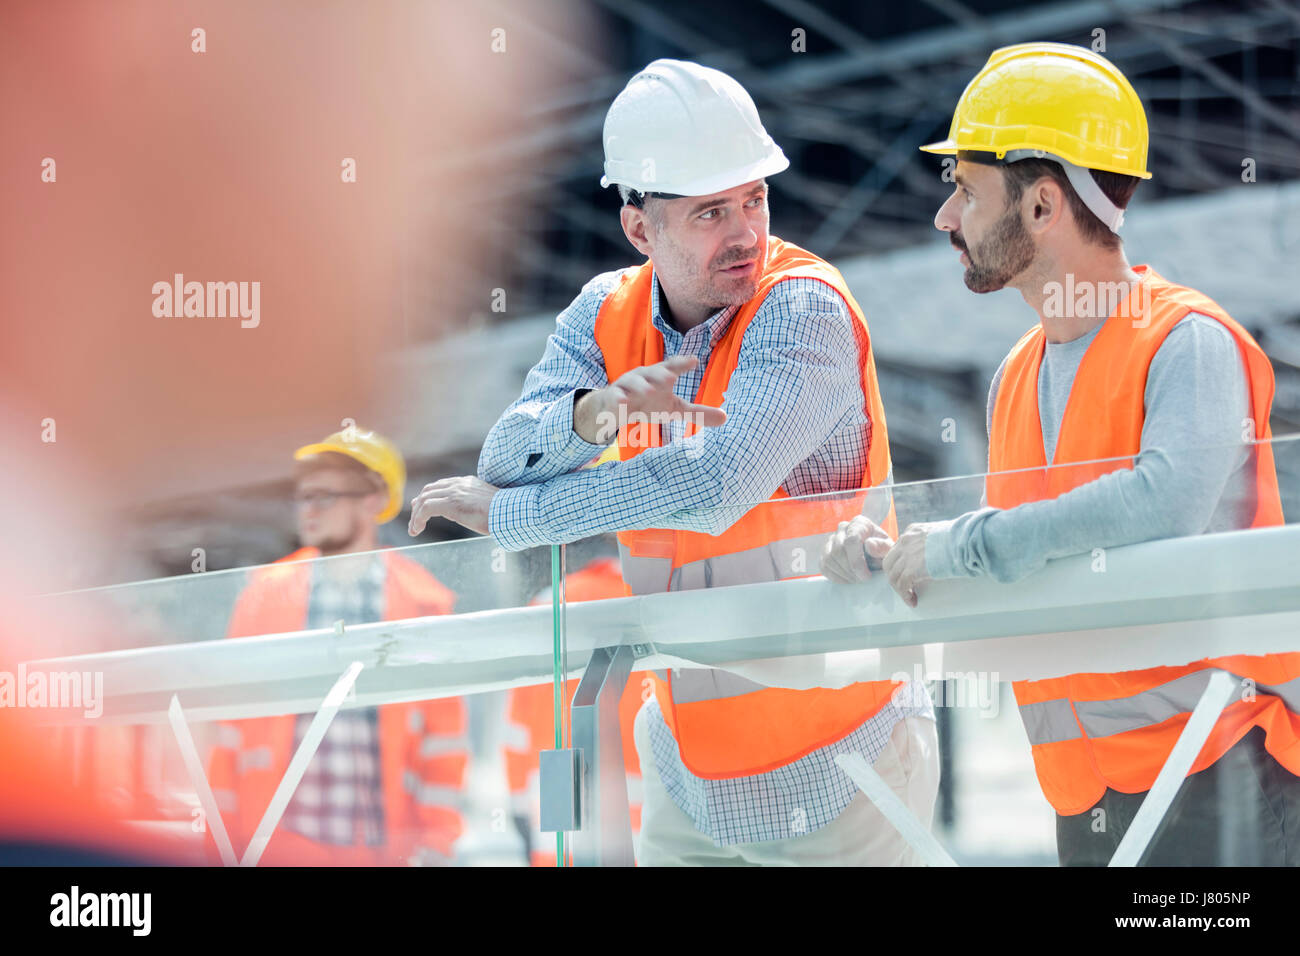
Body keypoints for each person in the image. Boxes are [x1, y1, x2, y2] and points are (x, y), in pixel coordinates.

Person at [410, 59, 938, 865]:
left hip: (846, 763)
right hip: (689, 776)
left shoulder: (801, 307)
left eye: (755, 198)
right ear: (639, 230)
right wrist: (595, 414)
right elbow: (504, 456)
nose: (746, 232)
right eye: (710, 212)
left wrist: (520, 517)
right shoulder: (603, 313)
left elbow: (719, 483)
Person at [823, 42, 1300, 865]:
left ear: (1042, 205)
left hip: (1220, 765)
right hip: (1083, 792)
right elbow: (1023, 542)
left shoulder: (1188, 341)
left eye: (966, 191)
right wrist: (889, 551)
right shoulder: (1014, 377)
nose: (945, 218)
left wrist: (960, 545)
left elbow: (1162, 504)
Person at [208, 427, 469, 865]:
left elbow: (444, 740)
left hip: (383, 851)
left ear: (373, 501)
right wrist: (219, 845)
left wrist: (436, 844)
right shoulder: (264, 595)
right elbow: (227, 727)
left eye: (325, 496)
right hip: (276, 847)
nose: (308, 510)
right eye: (303, 497)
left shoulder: (423, 602)